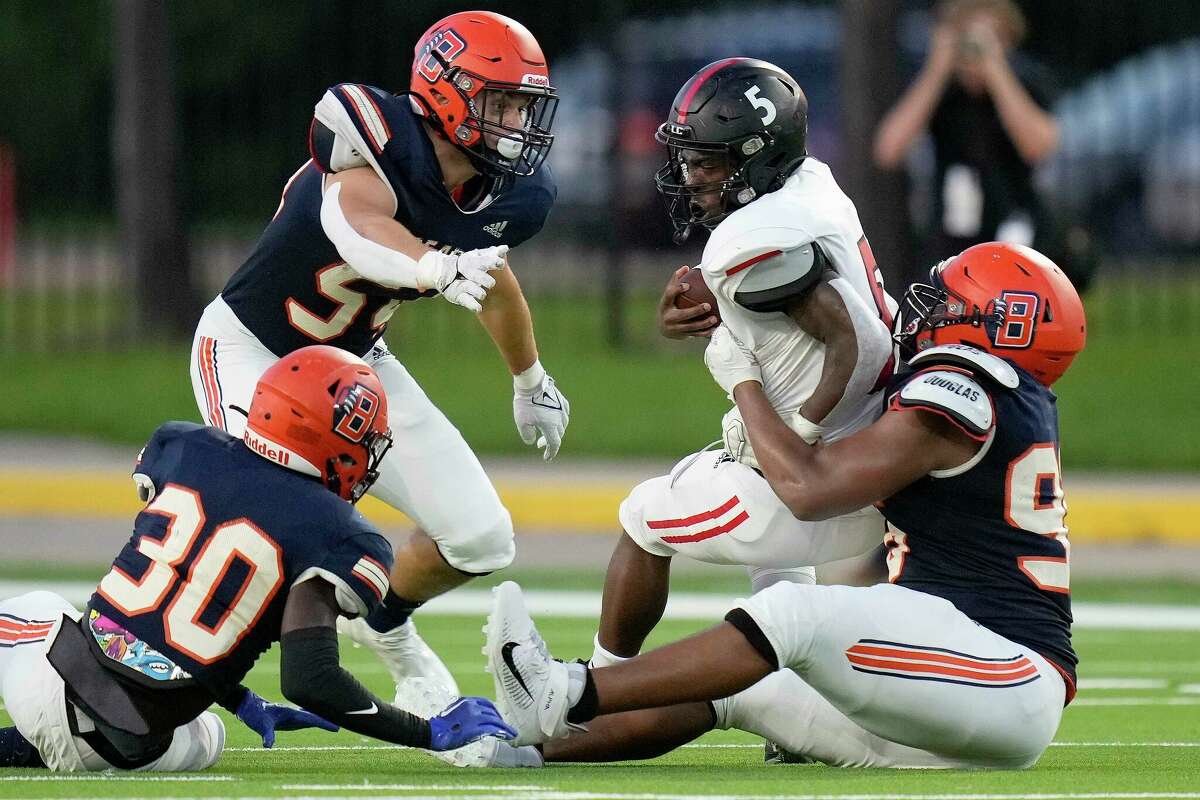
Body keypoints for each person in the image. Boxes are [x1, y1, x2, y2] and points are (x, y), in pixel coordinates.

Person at [485, 242, 1087, 770]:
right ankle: (529, 742)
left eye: (949, 305)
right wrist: (740, 308)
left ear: (1005, 326)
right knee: (740, 688)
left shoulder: (963, 390)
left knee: (791, 613)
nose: (925, 313)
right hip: (946, 683)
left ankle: (566, 689)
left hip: (1003, 669)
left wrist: (743, 379)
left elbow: (808, 489)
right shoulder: (1002, 396)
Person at [188, 11, 569, 696]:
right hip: (255, 352)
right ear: (446, 90)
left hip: (353, 367)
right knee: (275, 521)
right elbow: (355, 226)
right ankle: (159, 659)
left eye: (524, 104)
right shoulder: (373, 140)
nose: (517, 121)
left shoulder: (506, 193)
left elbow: (495, 283)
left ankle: (383, 619)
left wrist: (530, 378)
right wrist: (431, 268)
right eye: (501, 100)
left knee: (481, 537)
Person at [0, 346, 513, 772]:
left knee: (39, 607)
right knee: (206, 735)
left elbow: (172, 596)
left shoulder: (181, 447)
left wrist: (237, 692)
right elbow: (308, 678)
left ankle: (44, 738)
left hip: (56, 689)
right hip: (136, 748)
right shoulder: (343, 536)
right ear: (334, 439)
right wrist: (429, 732)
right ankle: (47, 744)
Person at [591, 59, 896, 707]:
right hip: (869, 461)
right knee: (777, 571)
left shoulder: (756, 239)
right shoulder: (810, 183)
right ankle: (792, 710)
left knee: (643, 517)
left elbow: (863, 343)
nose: (688, 177)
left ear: (757, 158)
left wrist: (799, 433)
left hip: (832, 480)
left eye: (707, 163)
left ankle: (591, 692)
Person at [874, 0, 1059, 286]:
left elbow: (1039, 147)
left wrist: (997, 70)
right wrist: (936, 69)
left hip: (1015, 225)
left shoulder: (1026, 82)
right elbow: (888, 150)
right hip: (951, 233)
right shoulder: (940, 91)